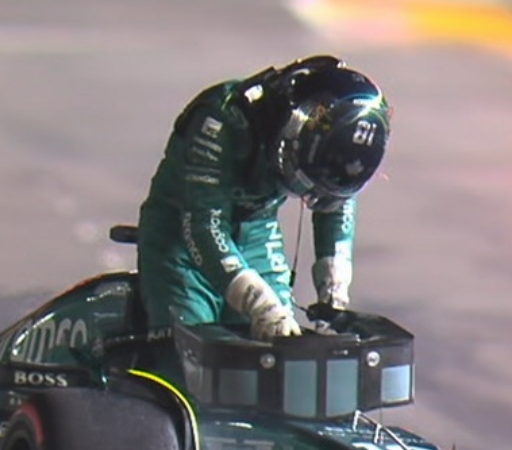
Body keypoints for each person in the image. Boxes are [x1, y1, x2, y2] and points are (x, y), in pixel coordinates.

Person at [136, 55, 389, 342]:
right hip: (180, 238)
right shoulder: (221, 119)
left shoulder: (329, 146)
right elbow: (203, 226)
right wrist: (259, 303)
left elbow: (337, 195)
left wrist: (334, 293)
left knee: (283, 350)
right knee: (191, 355)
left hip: (256, 233)